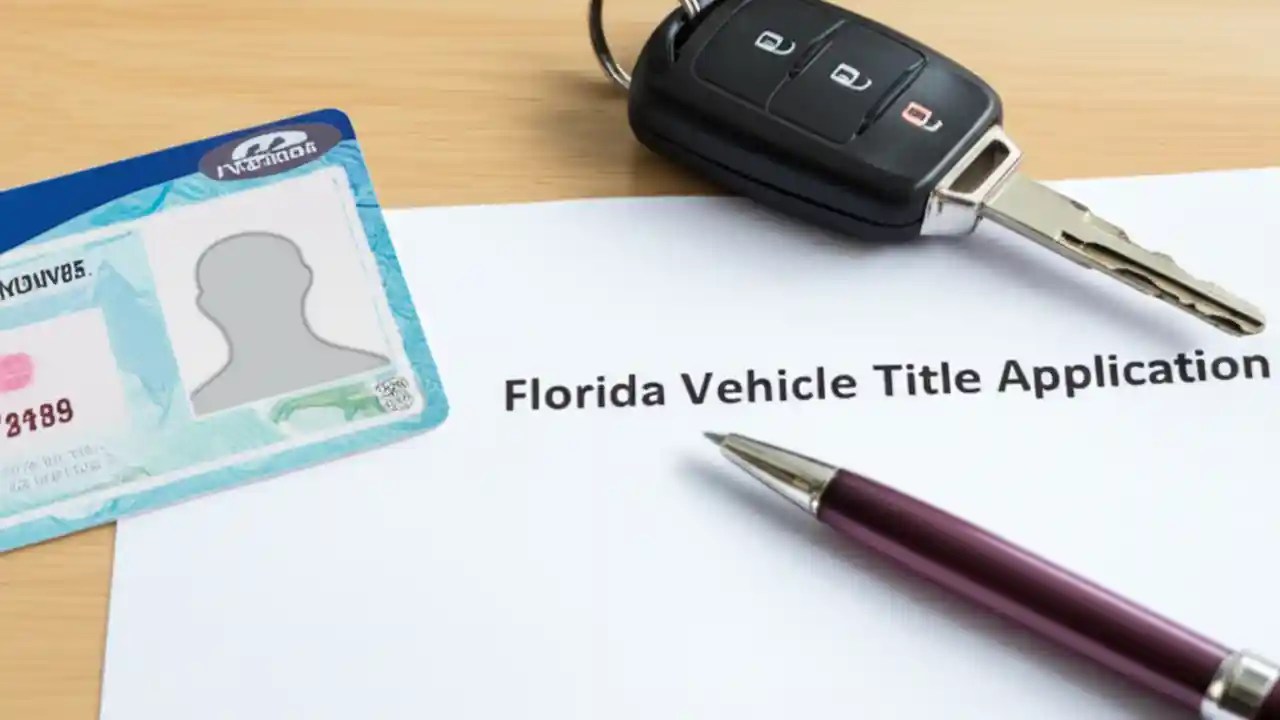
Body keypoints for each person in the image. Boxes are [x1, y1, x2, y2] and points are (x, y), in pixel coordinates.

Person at [189, 231, 388, 415]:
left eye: (268, 281)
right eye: (240, 288)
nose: (259, 299)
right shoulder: (205, 405)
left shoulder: (373, 373)